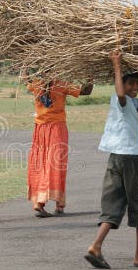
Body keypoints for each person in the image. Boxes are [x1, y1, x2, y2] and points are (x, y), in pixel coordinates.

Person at [84, 51, 138, 269]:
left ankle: (95, 246)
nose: (135, 87)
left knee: (114, 204)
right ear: (121, 83)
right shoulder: (120, 100)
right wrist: (116, 64)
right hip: (130, 159)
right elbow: (121, 94)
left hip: (115, 159)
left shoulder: (134, 103)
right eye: (131, 83)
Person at [27, 78, 93, 217]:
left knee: (41, 164)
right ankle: (51, 204)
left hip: (40, 129)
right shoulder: (61, 84)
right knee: (57, 165)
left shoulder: (36, 83)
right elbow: (86, 91)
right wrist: (90, 76)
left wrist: (26, 68)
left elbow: (25, 78)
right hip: (56, 129)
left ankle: (45, 203)